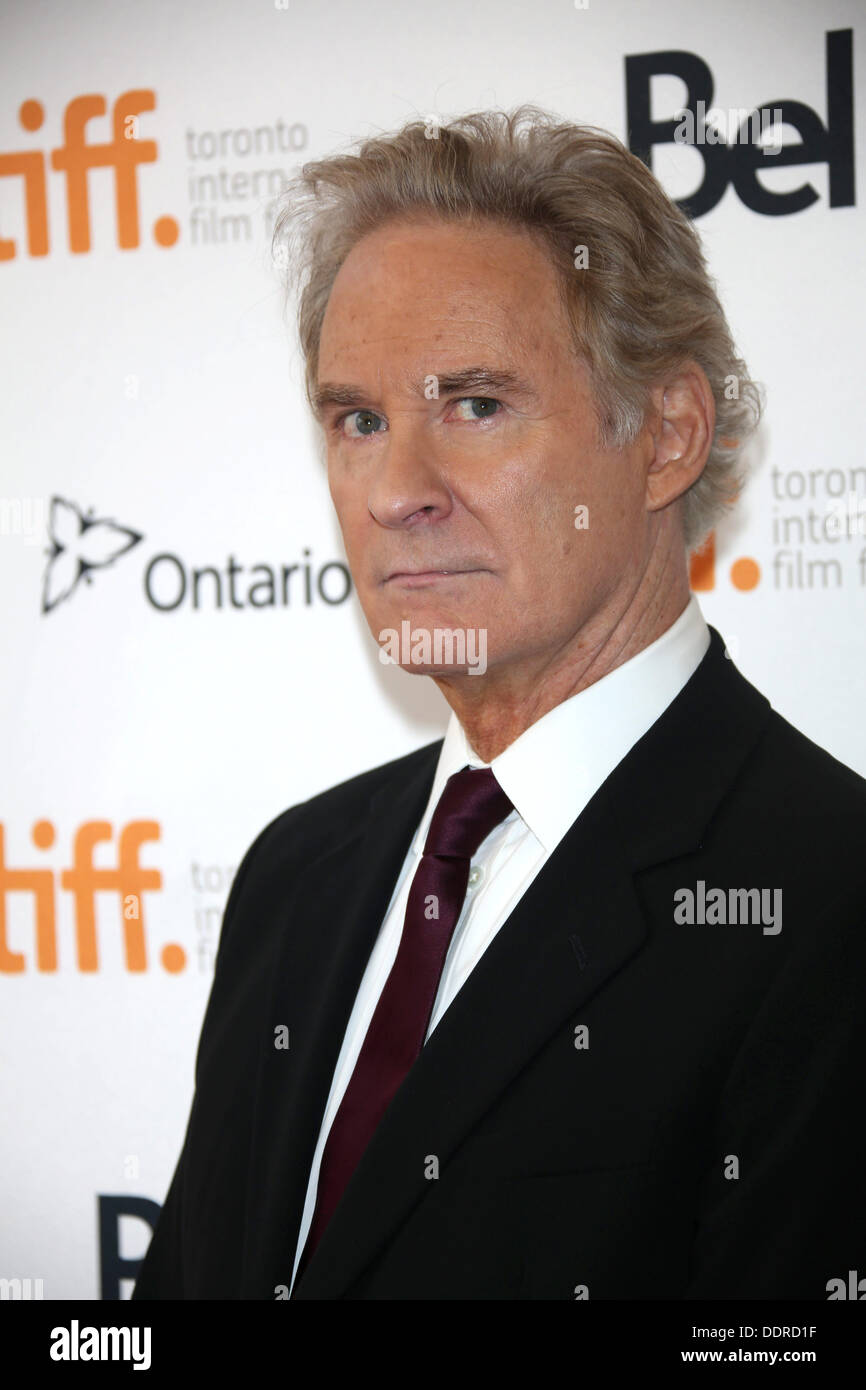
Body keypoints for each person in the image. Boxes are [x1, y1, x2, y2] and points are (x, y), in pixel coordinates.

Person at [132, 107, 866, 1301]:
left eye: (473, 405)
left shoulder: (829, 903)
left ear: (666, 433)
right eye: (359, 420)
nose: (395, 492)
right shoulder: (295, 874)